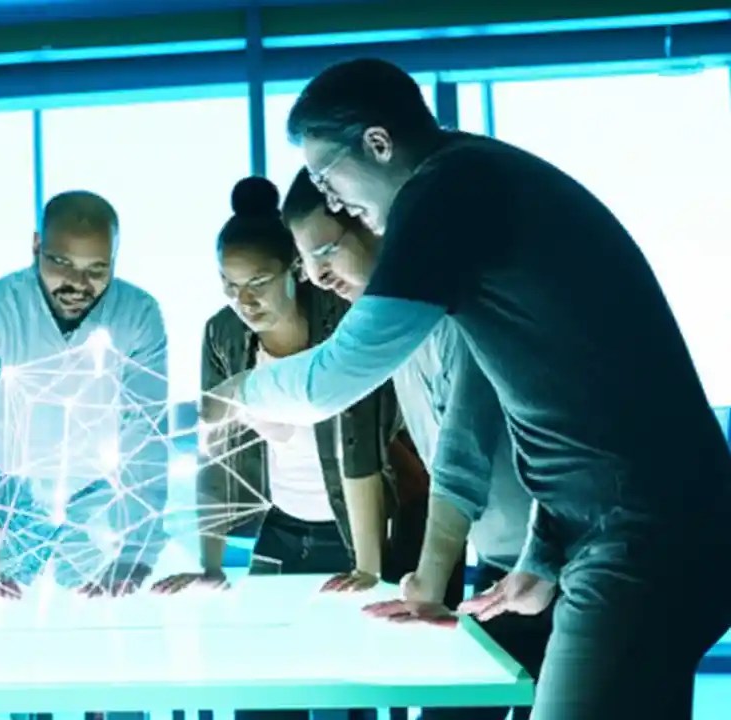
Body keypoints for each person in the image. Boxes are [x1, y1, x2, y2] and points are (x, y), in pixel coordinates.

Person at [209, 58, 731, 719]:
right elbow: (557, 400)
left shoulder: (443, 193)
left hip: (640, 534)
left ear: (378, 143)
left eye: (326, 179)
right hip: (635, 524)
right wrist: (544, 554)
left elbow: (338, 373)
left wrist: (236, 392)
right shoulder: (475, 178)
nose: (333, 201)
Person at [278, 168, 546, 720]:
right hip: (505, 564)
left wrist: (427, 581)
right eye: (306, 263)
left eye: (325, 252)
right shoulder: (398, 330)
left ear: (373, 219)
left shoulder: (462, 307)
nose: (318, 276)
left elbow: (462, 453)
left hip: (559, 561)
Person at [151, 176, 403, 599]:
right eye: (230, 286)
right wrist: (210, 566)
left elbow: (358, 446)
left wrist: (368, 568)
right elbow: (215, 452)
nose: (245, 302)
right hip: (282, 524)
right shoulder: (223, 334)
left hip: (358, 529)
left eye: (259, 283)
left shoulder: (343, 317)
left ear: (296, 269)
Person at [0, 190, 169, 597]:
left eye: (97, 269)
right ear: (36, 245)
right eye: (62, 262)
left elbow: (144, 432)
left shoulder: (138, 315)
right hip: (8, 499)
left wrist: (137, 551)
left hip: (98, 499)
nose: (78, 284)